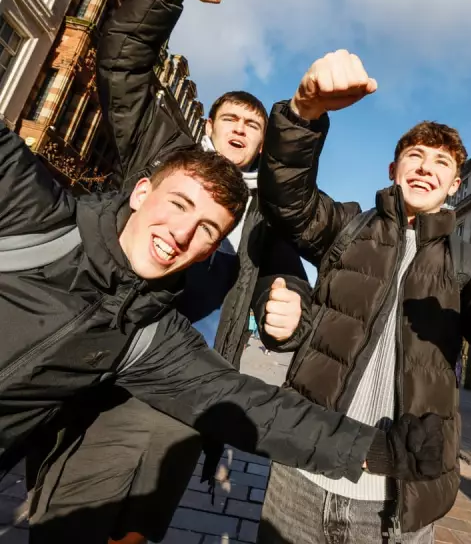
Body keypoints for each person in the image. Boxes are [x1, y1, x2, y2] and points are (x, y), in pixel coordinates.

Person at [0, 121, 445, 543]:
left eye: (206, 230)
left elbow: (254, 405)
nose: (180, 233)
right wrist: (304, 115)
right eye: (178, 204)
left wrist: (376, 448)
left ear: (211, 250)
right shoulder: (37, 220)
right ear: (141, 192)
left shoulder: (147, 335)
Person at [255, 49, 471, 543]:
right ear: (393, 168)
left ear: (456, 183)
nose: (425, 168)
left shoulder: (468, 262)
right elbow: (286, 199)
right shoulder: (347, 226)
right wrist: (302, 114)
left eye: (440, 163)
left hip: (397, 493)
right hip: (302, 469)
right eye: (414, 157)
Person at [21, 0, 312, 544]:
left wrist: (291, 312)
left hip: (184, 387)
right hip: (101, 366)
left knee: (138, 530)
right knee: (65, 513)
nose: (238, 130)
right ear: (209, 126)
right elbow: (122, 66)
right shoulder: (161, 150)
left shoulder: (265, 217)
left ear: (260, 145)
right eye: (230, 118)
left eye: (252, 127)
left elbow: (287, 278)